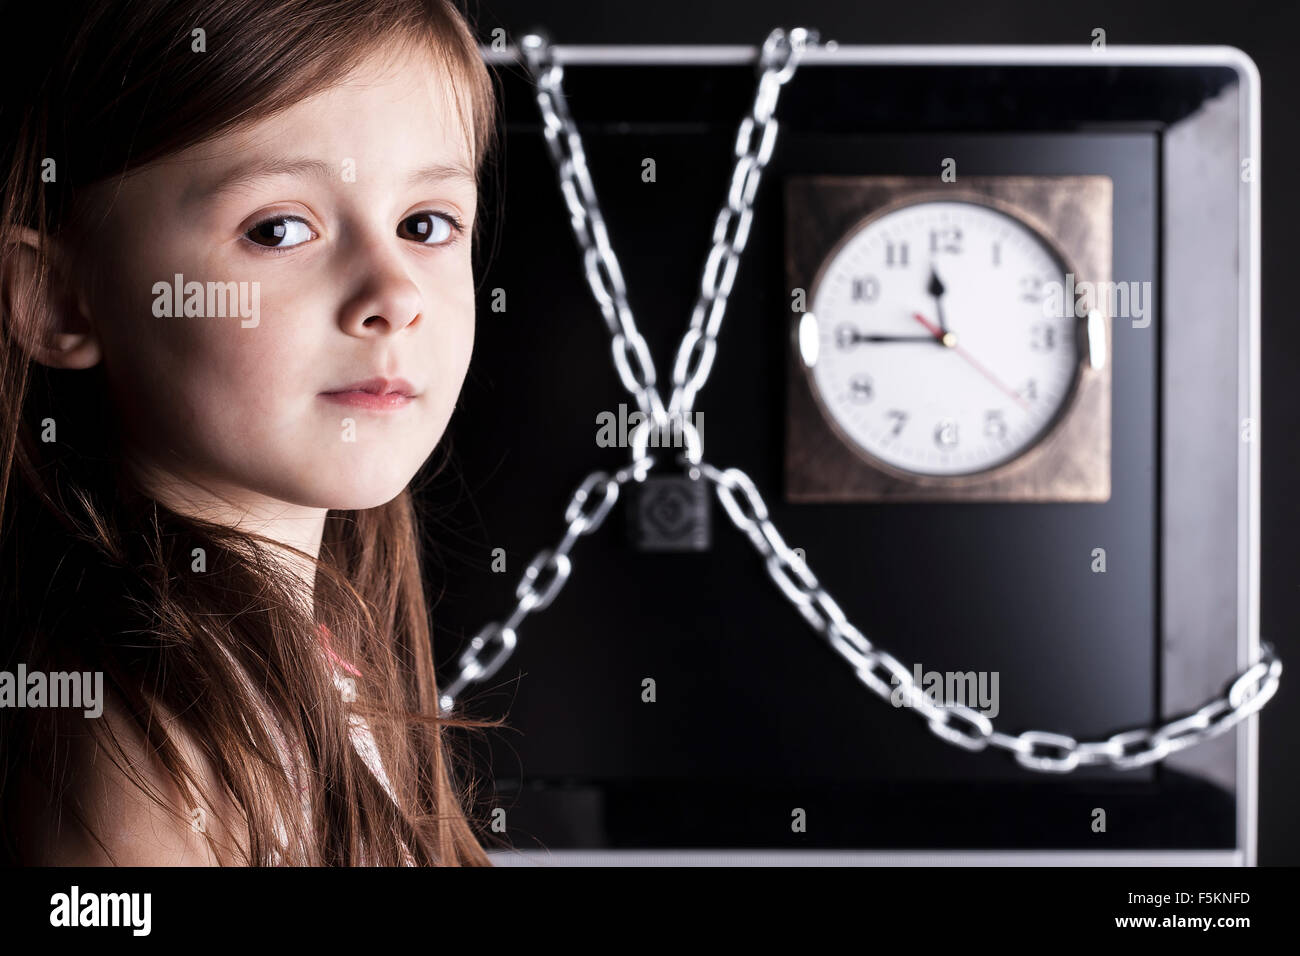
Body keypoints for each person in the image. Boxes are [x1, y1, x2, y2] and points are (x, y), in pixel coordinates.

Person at [0, 0, 507, 866]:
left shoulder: (312, 672)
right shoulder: (146, 750)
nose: (393, 294)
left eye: (425, 224)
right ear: (57, 297)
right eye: (278, 229)